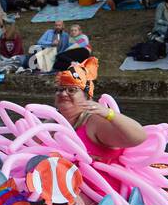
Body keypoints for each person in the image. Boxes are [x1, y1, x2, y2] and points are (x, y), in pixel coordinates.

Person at [52, 58, 147, 194]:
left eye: (72, 90)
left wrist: (109, 114)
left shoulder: (94, 122)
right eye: (59, 90)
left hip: (98, 201)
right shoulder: (50, 124)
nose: (63, 93)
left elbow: (139, 137)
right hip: (53, 195)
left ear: (87, 97)